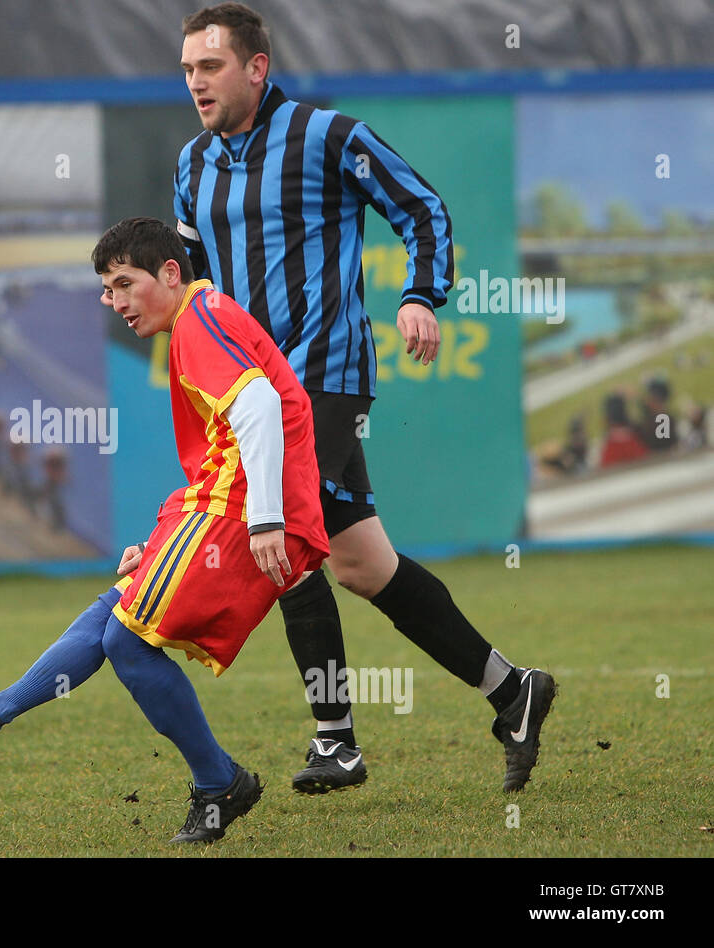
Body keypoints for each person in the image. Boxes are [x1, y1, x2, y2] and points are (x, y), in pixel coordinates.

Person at [174, 4, 556, 792]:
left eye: (210, 67)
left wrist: (422, 294)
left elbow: (420, 206)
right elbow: (193, 277)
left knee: (280, 535)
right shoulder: (191, 164)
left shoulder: (327, 136)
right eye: (186, 70)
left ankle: (335, 739)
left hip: (324, 375)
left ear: (256, 68)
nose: (196, 83)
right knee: (359, 563)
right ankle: (512, 690)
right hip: (251, 391)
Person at [0, 218, 330, 843]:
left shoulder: (200, 320)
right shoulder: (198, 317)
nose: (114, 302)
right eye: (108, 289)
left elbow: (264, 409)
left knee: (128, 640)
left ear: (170, 273)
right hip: (216, 504)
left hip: (243, 513)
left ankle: (220, 782)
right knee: (118, 606)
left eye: (123, 284)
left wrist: (268, 521)